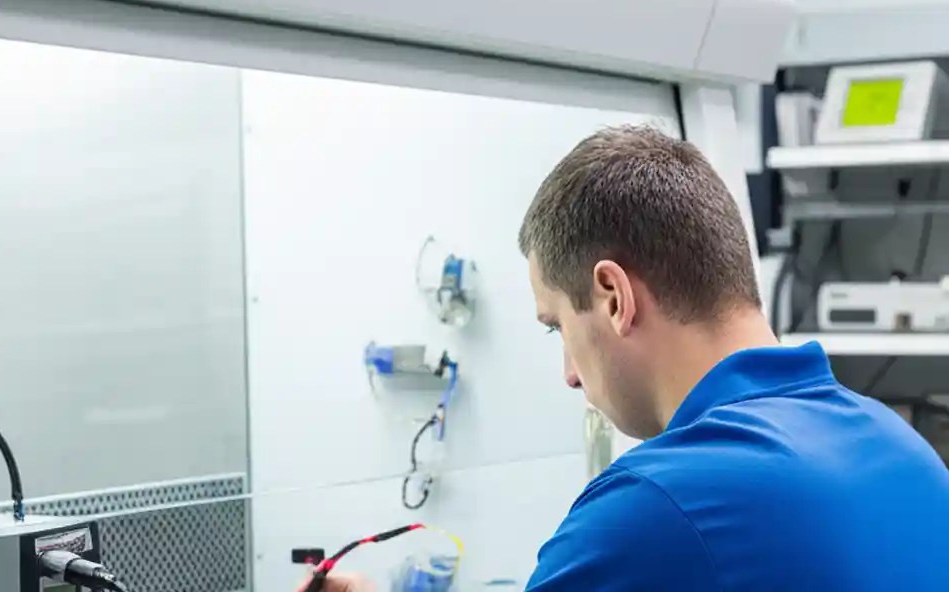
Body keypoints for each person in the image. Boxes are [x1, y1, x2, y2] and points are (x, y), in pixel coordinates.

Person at [306, 126, 949, 591]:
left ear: (614, 297)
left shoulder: (655, 504)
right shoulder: (903, 450)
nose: (570, 374)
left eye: (557, 327)